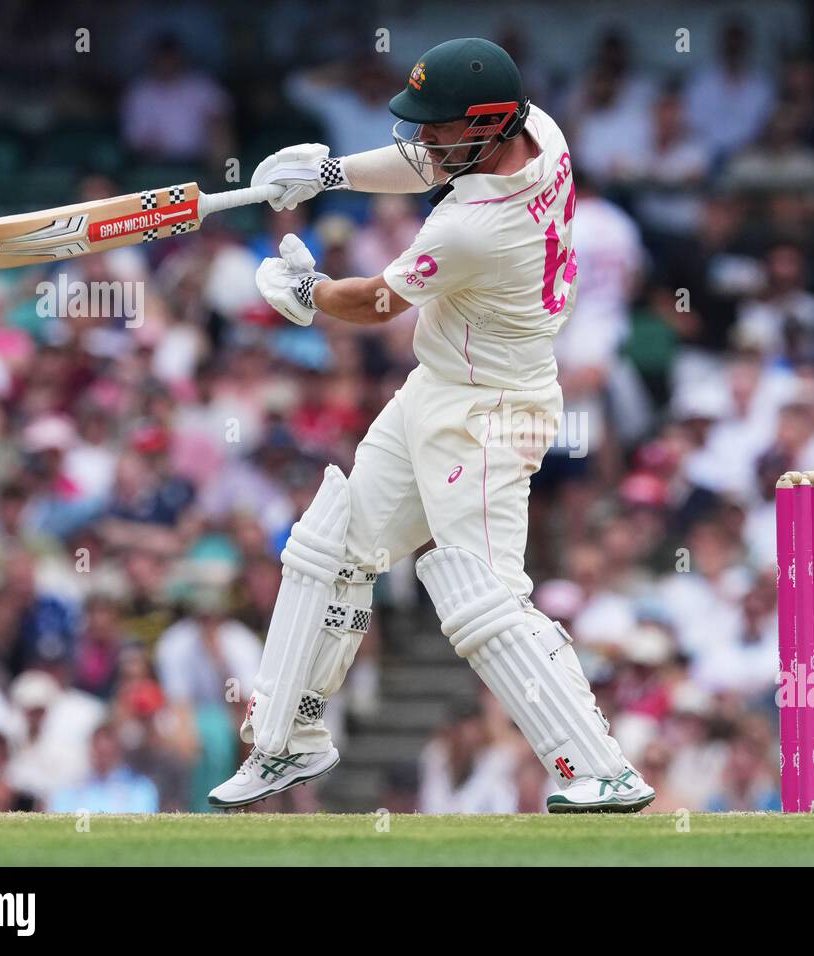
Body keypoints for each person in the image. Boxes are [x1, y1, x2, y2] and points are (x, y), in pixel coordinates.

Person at [209, 38, 654, 814]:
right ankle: (288, 741)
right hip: (441, 386)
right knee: (331, 544)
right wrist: (328, 174)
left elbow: (378, 302)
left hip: (492, 413)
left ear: (483, 125)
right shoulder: (537, 131)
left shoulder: (474, 226)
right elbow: (424, 163)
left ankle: (600, 769)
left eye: (439, 126)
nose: (424, 138)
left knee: (479, 596)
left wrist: (305, 290)